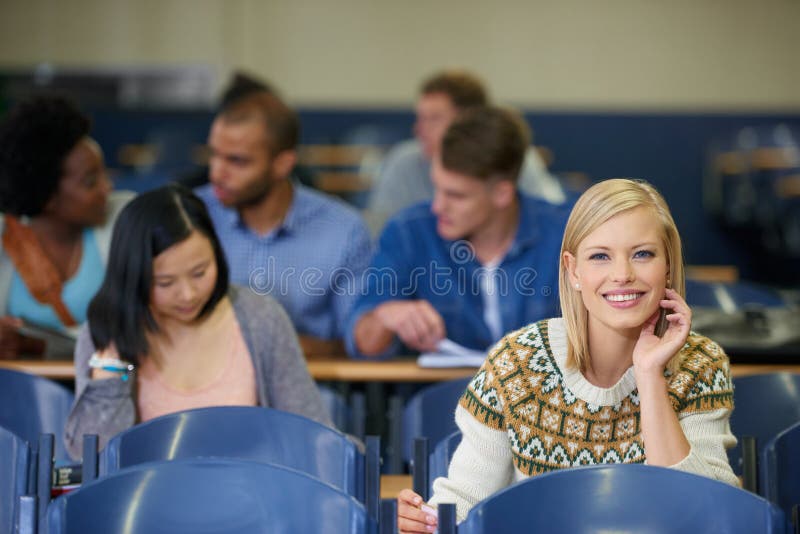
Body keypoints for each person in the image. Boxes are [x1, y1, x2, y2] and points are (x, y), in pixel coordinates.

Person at [397, 178, 739, 530]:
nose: (622, 274)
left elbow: (706, 515)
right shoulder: (517, 362)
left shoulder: (700, 363)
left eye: (642, 254)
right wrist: (425, 522)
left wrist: (650, 374)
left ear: (667, 264)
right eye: (600, 257)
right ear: (574, 270)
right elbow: (464, 503)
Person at [64, 184, 331, 459]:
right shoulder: (108, 329)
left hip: (249, 493)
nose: (188, 294)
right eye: (165, 282)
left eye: (200, 272)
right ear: (134, 276)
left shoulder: (259, 317)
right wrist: (111, 375)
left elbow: (312, 429)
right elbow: (88, 456)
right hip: (147, 497)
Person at [347, 106, 570, 359]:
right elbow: (363, 342)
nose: (438, 206)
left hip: (546, 395)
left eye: (456, 195)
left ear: (502, 194)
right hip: (441, 394)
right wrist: (386, 316)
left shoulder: (566, 235)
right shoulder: (408, 233)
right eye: (437, 188)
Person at [195, 79, 372, 356]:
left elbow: (357, 344)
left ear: (283, 164)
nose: (217, 173)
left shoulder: (343, 230)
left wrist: (282, 347)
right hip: (206, 382)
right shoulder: (190, 215)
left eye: (237, 161)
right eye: (214, 155)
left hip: (312, 385)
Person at [0, 95, 133, 359]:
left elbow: (136, 333)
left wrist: (39, 347)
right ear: (48, 196)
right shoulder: (3, 239)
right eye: (91, 181)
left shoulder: (125, 220)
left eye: (105, 173)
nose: (107, 187)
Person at [368, 69, 566, 226]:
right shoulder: (404, 161)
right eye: (420, 117)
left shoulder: (512, 155)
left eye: (434, 119)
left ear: (471, 121)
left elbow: (553, 218)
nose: (419, 129)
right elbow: (380, 232)